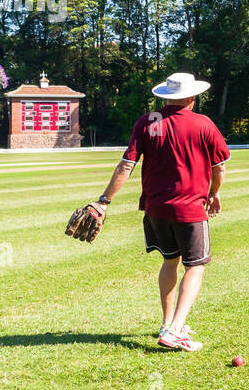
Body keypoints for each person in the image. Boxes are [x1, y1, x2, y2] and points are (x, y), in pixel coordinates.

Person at [90, 72, 230, 352]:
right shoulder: (203, 123)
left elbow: (126, 165)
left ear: (167, 96)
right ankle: (175, 330)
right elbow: (220, 167)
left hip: (154, 208)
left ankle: (168, 324)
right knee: (196, 266)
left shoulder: (149, 121)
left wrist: (104, 200)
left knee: (170, 261)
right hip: (189, 208)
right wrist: (214, 193)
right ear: (191, 97)